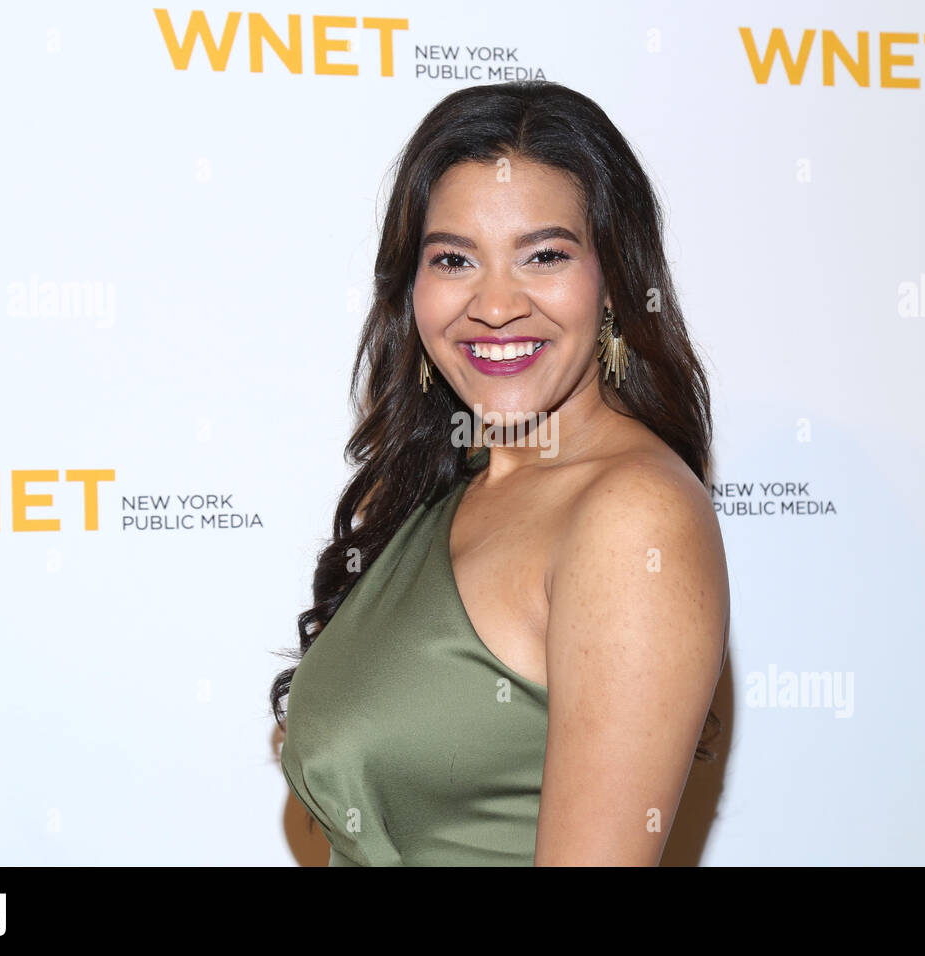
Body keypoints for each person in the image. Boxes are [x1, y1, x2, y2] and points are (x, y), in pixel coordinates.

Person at [272, 79, 729, 866]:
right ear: (410, 288)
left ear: (614, 279)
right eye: (454, 259)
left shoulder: (633, 517)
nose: (494, 305)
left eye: (543, 256)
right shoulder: (447, 485)